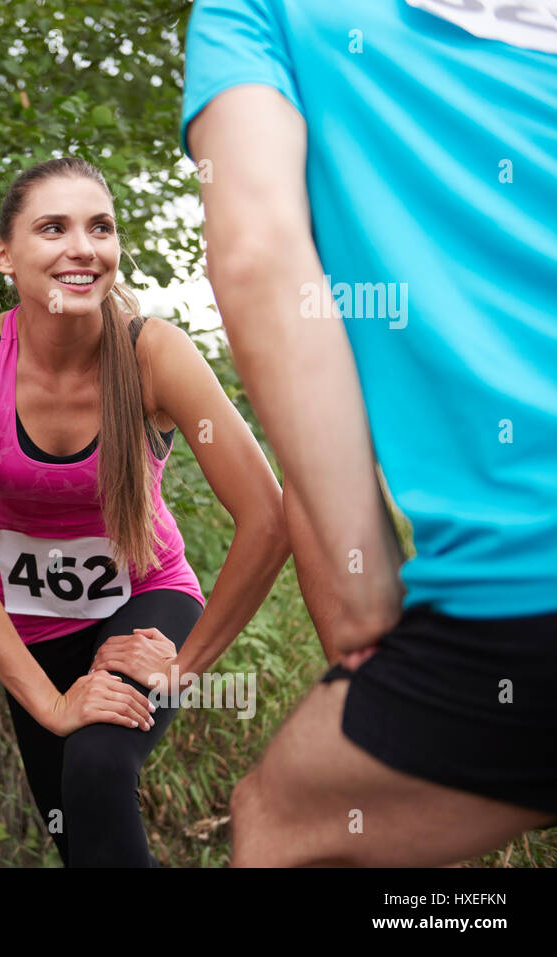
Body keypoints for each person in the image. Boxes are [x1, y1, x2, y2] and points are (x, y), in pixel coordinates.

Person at [183, 0, 557, 866]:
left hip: (529, 580)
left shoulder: (258, 12)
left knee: (281, 825)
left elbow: (257, 253)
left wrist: (364, 585)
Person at [0, 157, 290, 867]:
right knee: (80, 833)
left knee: (96, 767)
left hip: (147, 602)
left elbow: (269, 518)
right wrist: (52, 702)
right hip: (29, 629)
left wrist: (184, 665)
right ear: (4, 252)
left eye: (100, 227)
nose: (82, 247)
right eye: (52, 227)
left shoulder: (153, 353)